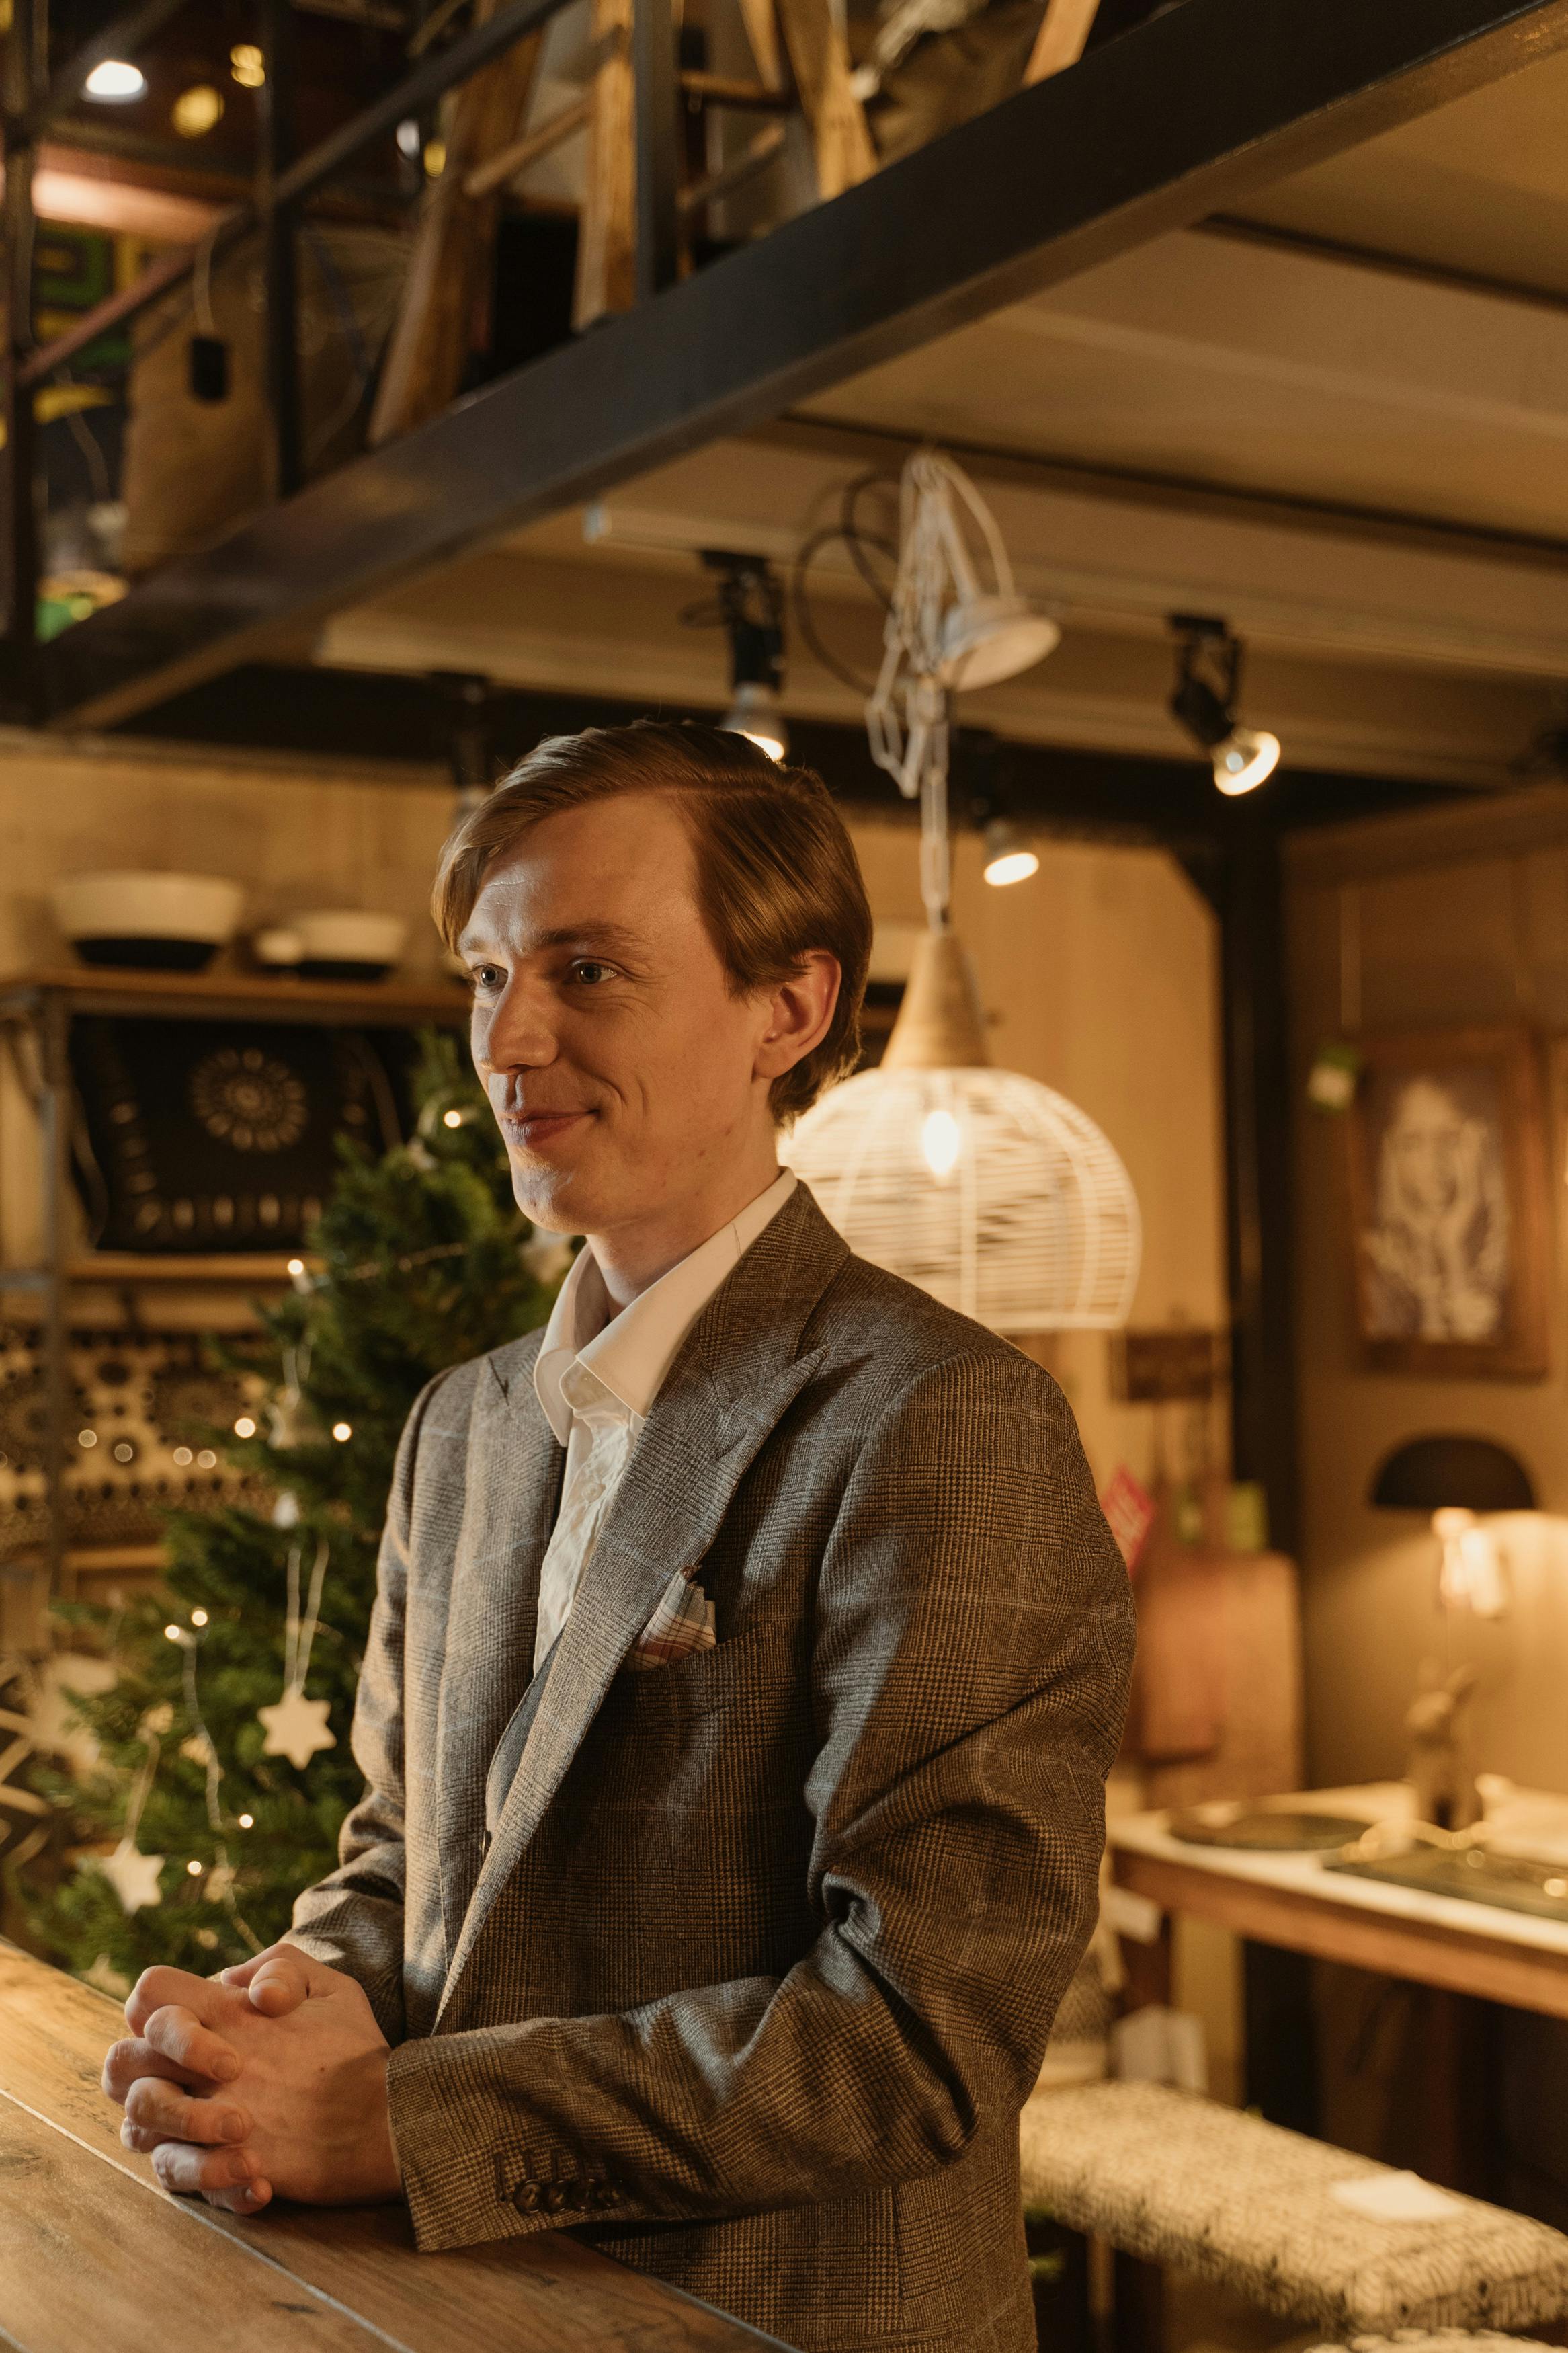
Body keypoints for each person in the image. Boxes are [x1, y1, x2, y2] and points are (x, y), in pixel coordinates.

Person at [103, 721, 1134, 2353]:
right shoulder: (462, 1421)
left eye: (586, 969)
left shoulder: (942, 1418)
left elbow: (917, 2033)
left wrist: (392, 2120)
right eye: (486, 974)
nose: (509, 1039)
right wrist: (275, 2018)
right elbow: (405, 1863)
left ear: (786, 1010)